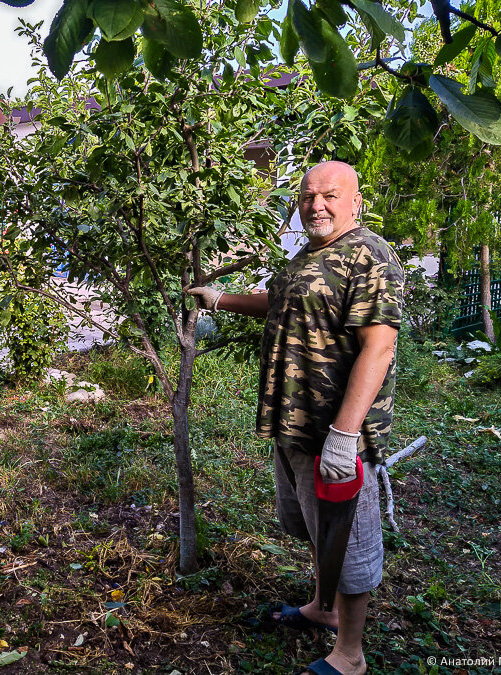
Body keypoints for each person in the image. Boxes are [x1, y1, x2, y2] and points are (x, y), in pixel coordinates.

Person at [188, 161, 403, 675]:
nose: (316, 205)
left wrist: (344, 435)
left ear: (355, 200)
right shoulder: (311, 253)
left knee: (346, 539)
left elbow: (379, 348)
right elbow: (284, 305)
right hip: (292, 422)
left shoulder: (369, 256)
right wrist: (220, 298)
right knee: (313, 526)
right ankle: (322, 609)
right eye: (308, 196)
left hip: (335, 427)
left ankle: (350, 655)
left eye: (329, 195)